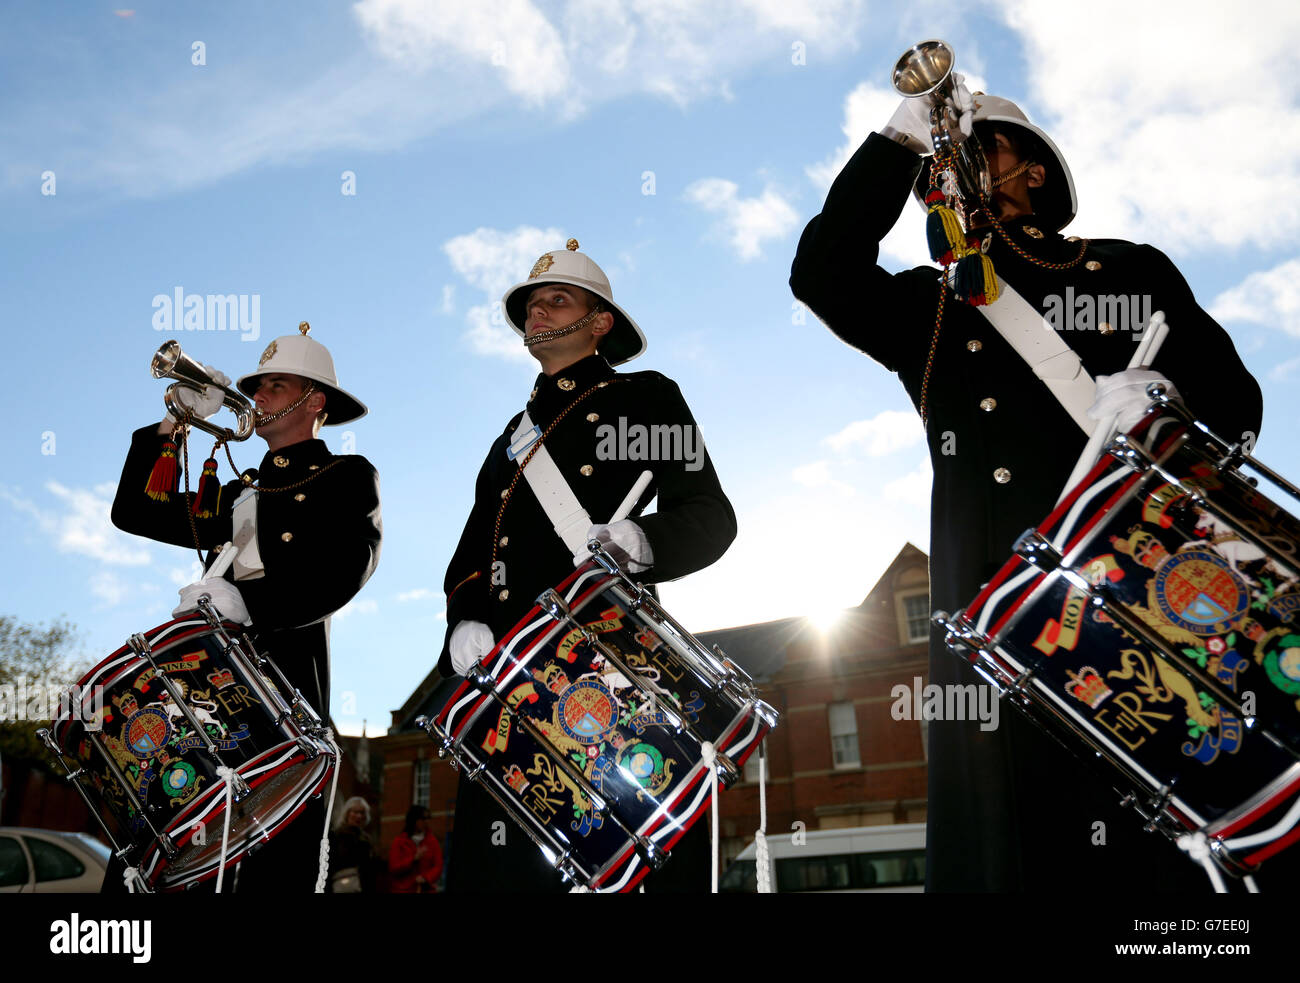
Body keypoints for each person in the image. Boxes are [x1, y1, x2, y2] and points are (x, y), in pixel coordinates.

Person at [790, 89, 1264, 892]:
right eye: (942, 160)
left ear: (1034, 172)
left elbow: (1235, 401)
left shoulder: (1124, 267)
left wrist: (1166, 401)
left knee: (1174, 852)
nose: (958, 167)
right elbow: (823, 272)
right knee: (1016, 845)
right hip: (1005, 609)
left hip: (1151, 590)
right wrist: (895, 142)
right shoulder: (930, 308)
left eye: (982, 148)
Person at [437, 238, 737, 892]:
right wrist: (464, 618)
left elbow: (711, 515)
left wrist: (640, 539)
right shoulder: (508, 441)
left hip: (606, 659)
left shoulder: (645, 399)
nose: (538, 312)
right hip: (509, 676)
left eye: (557, 299)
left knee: (627, 862)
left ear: (600, 321)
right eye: (531, 305)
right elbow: (469, 556)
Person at [109, 322, 382, 892]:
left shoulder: (347, 476)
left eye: (276, 387)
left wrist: (248, 603)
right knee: (164, 835)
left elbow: (344, 570)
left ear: (315, 401)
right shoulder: (238, 488)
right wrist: (174, 421)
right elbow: (135, 512)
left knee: (269, 864)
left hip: (283, 681)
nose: (257, 398)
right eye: (256, 387)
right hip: (203, 685)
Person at [328, 796, 378, 893]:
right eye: (355, 812)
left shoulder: (366, 838)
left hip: (363, 885)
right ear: (347, 813)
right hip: (343, 885)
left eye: (362, 813)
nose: (359, 816)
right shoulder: (337, 835)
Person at [388, 805, 443, 893]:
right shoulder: (399, 841)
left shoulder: (432, 841)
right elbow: (394, 867)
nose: (426, 822)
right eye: (423, 818)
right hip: (404, 889)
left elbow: (438, 866)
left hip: (426, 889)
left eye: (428, 818)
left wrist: (426, 878)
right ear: (413, 820)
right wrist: (413, 859)